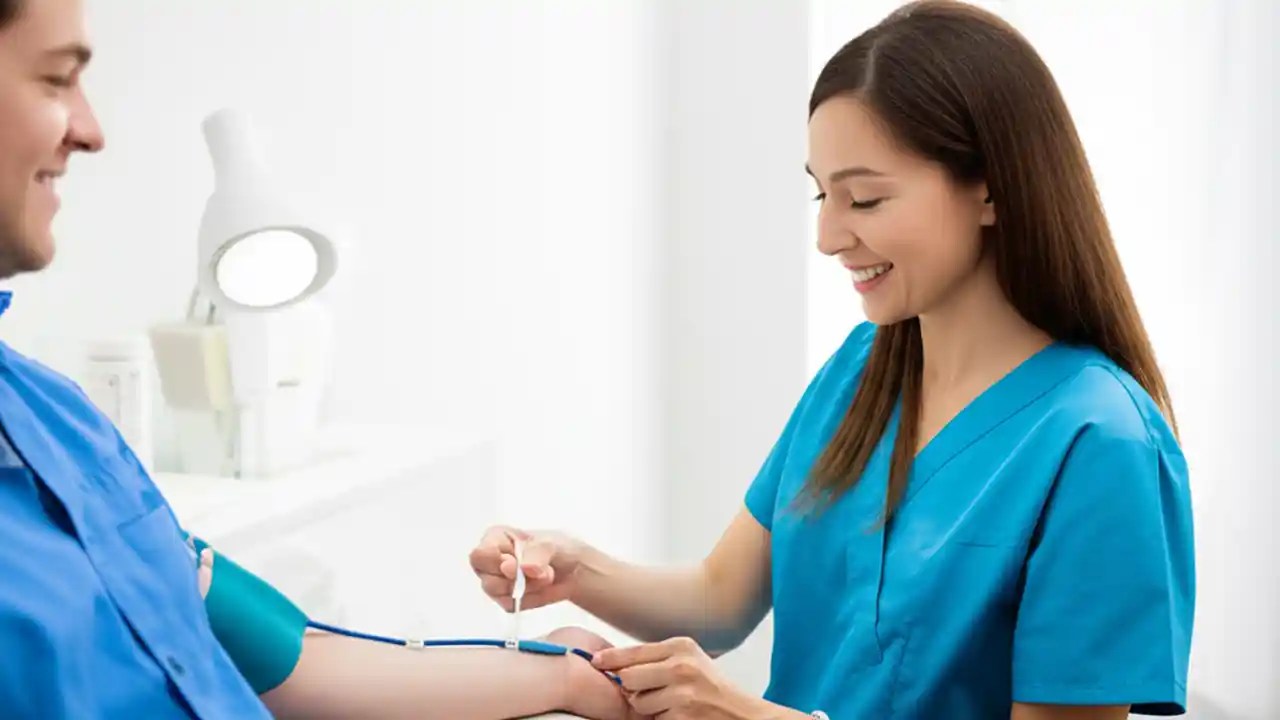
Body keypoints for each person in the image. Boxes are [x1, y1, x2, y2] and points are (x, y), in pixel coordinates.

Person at [470, 2, 1196, 719]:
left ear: (990, 188)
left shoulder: (1101, 443)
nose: (827, 235)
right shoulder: (861, 370)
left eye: (865, 199)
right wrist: (576, 571)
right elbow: (721, 602)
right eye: (822, 193)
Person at [0, 1, 635, 718]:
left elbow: (293, 659)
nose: (91, 130)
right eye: (55, 80)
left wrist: (562, 675)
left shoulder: (59, 421)